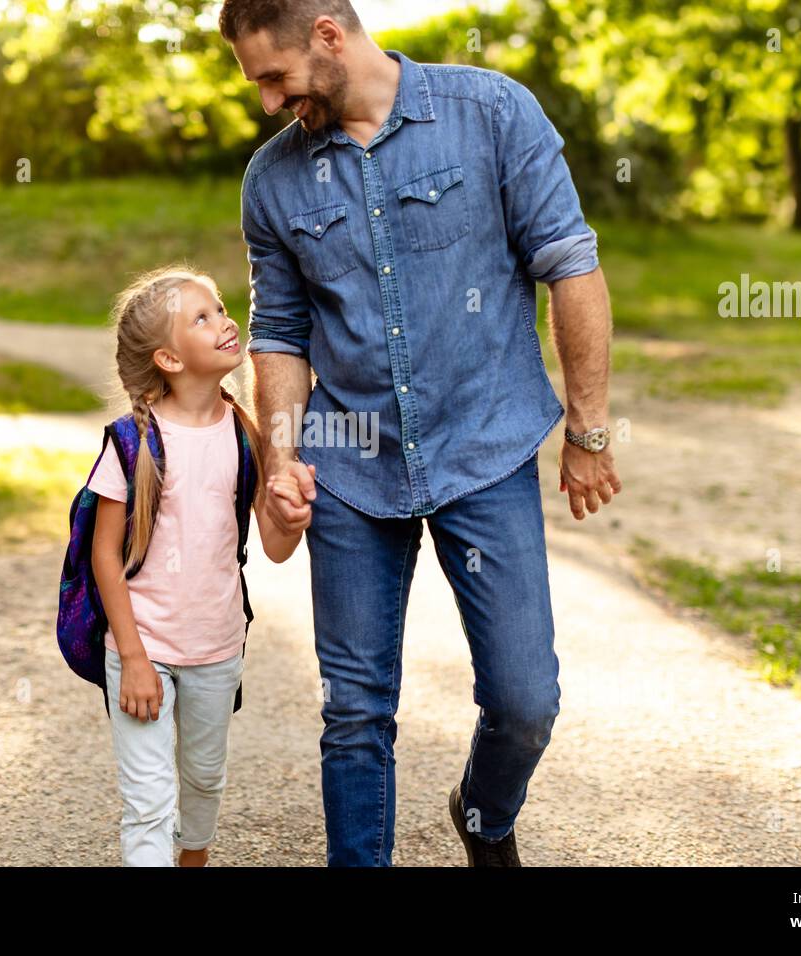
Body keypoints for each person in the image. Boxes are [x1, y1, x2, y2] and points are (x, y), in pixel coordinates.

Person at [219, 0, 623, 865]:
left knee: (525, 699)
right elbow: (281, 331)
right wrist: (281, 462)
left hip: (485, 444)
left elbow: (570, 264)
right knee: (356, 709)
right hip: (351, 464)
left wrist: (588, 429)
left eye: (273, 78)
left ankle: (483, 813)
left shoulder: (492, 112)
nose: (265, 102)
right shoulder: (274, 177)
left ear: (329, 35)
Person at [89, 264, 307, 866]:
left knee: (204, 782)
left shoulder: (246, 433)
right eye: (202, 317)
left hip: (217, 648)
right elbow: (104, 552)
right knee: (150, 803)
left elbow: (275, 545)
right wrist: (132, 657)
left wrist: (291, 518)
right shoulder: (133, 441)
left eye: (221, 307)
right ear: (169, 359)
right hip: (143, 649)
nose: (225, 319)